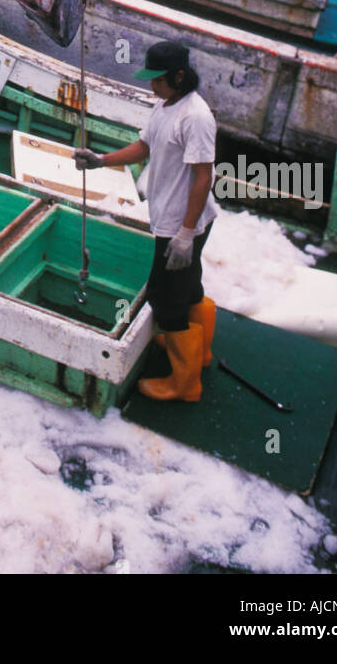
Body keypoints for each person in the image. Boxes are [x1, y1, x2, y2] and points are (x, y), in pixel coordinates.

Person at [75, 40, 217, 403]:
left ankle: (185, 385)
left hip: (183, 223)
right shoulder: (164, 106)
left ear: (180, 76)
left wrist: (185, 234)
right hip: (172, 218)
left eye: (158, 80)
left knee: (165, 299)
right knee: (189, 288)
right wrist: (101, 160)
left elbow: (204, 177)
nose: (152, 86)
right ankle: (198, 353)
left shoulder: (196, 117)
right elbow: (145, 147)